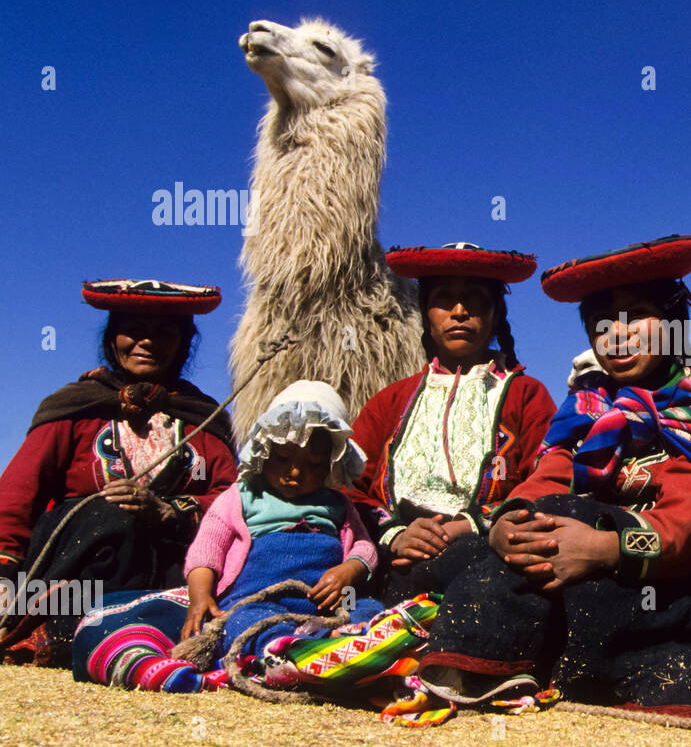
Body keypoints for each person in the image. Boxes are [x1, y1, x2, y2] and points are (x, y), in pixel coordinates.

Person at [379, 235, 691, 722]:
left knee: (569, 515)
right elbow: (547, 476)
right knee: (473, 548)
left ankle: (477, 664)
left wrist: (603, 548)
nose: (618, 336)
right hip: (584, 581)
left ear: (674, 326)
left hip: (673, 591)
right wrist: (507, 522)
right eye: (602, 326)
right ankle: (474, 657)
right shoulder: (584, 414)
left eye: (636, 316)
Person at [71, 381, 388, 693]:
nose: (295, 472)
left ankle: (347, 645)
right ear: (265, 450)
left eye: (313, 465)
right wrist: (200, 596)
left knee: (368, 606)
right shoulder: (244, 496)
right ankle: (283, 651)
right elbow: (207, 548)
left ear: (332, 463)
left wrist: (351, 569)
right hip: (258, 602)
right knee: (240, 621)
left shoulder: (336, 504)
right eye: (283, 459)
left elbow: (363, 546)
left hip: (323, 610)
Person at [0, 279, 237, 663]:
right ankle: (57, 630)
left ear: (184, 343)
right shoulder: (74, 408)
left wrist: (170, 510)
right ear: (113, 339)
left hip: (168, 569)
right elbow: (17, 493)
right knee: (111, 516)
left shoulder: (204, 418)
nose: (147, 342)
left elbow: (234, 500)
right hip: (82, 565)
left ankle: (141, 633)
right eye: (135, 330)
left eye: (164, 332)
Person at [346, 243, 556, 604]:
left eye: (475, 300)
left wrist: (472, 526)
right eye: (445, 300)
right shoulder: (390, 401)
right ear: (427, 313)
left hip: (488, 558)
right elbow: (347, 486)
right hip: (395, 561)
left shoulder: (526, 395)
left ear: (495, 313)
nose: (460, 312)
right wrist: (394, 533)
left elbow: (550, 476)